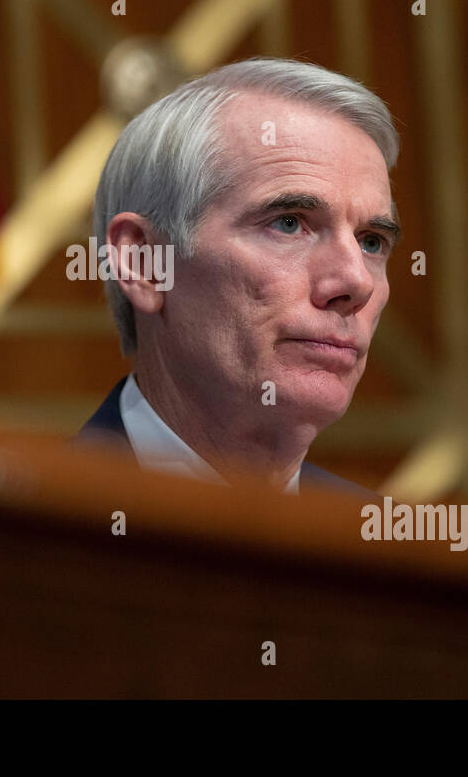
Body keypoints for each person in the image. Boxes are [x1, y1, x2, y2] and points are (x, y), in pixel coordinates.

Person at [79, 57, 398, 497]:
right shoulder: (18, 541)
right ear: (145, 263)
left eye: (371, 241)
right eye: (289, 223)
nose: (355, 282)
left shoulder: (386, 551)